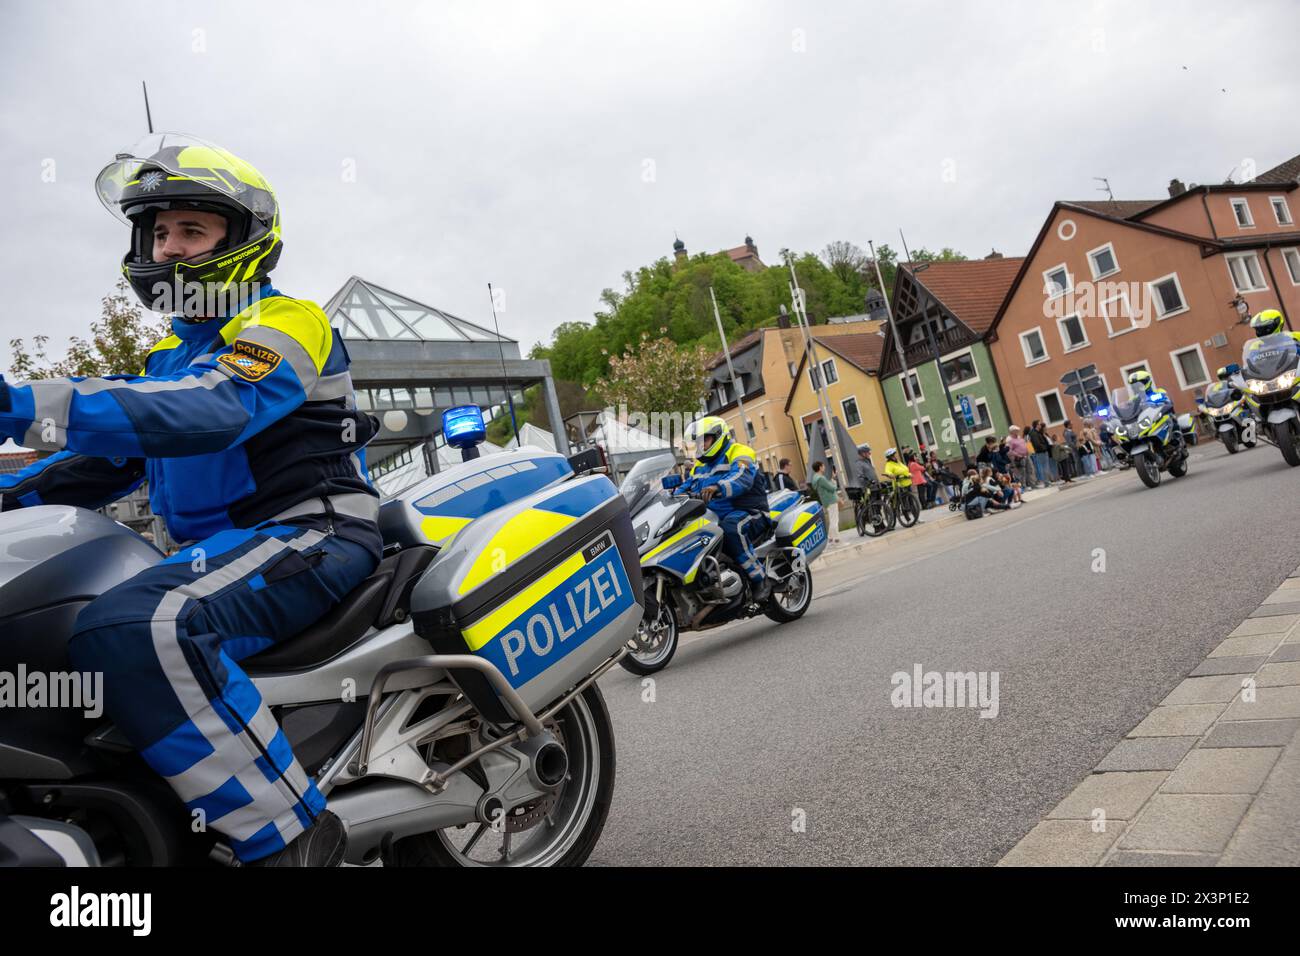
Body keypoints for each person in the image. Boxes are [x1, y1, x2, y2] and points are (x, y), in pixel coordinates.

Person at [0, 133, 381, 867]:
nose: (169, 248)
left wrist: (16, 403)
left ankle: (294, 841)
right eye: (159, 231)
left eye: (192, 230)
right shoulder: (168, 360)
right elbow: (92, 468)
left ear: (243, 241)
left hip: (313, 533)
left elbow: (214, 409)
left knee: (137, 626)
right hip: (224, 556)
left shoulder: (285, 322)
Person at [680, 416, 773, 600]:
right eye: (697, 442)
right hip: (713, 517)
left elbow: (742, 476)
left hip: (748, 512)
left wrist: (718, 487)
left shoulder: (739, 452)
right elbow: (687, 486)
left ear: (718, 436)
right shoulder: (699, 466)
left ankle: (759, 578)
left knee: (731, 528)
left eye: (704, 440)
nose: (701, 446)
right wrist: (669, 496)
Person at [808, 460, 841, 546]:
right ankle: (837, 540)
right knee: (834, 520)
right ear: (820, 467)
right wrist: (834, 481)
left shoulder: (816, 478)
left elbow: (826, 487)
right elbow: (832, 488)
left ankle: (830, 539)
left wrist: (831, 480)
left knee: (832, 519)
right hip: (831, 500)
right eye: (823, 466)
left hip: (826, 501)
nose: (824, 467)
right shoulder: (821, 478)